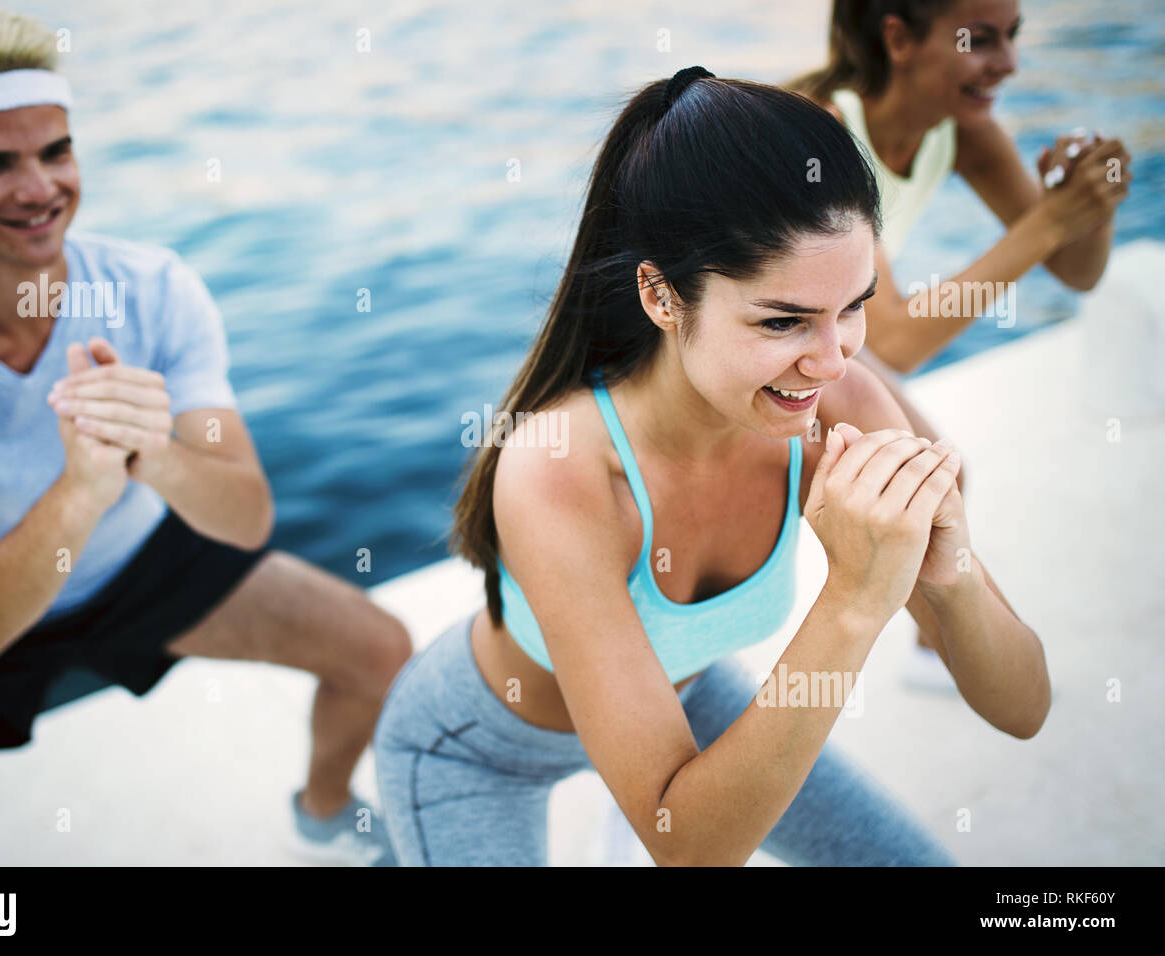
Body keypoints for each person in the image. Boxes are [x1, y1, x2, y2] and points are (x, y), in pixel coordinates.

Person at [373, 67, 1050, 866]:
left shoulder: (842, 408)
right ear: (661, 297)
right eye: (783, 320)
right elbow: (687, 849)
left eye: (855, 306)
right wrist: (857, 599)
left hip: (686, 698)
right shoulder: (557, 470)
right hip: (477, 747)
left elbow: (1023, 707)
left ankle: (639, 770)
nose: (833, 362)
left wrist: (951, 573)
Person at [0, 7, 410, 866]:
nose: (40, 187)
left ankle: (322, 814)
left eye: (55, 151)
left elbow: (242, 520)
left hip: (137, 565)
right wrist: (83, 483)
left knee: (380, 653)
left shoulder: (153, 287)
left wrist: (148, 452)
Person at [788, 0, 1131, 686]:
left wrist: (1089, 210)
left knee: (933, 479)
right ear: (898, 39)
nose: (1006, 62)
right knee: (926, 479)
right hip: (766, 350)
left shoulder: (962, 131)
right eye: (981, 40)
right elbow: (895, 338)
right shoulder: (818, 134)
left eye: (1014, 37)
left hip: (824, 342)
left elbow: (1077, 273)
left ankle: (933, 652)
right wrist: (1046, 224)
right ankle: (940, 654)